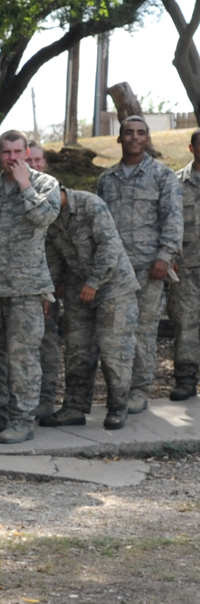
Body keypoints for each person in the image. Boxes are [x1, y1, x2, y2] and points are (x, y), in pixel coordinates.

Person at [0, 129, 60, 444]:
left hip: (26, 288)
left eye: (18, 152)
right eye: (6, 153)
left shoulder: (46, 184)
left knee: (23, 357)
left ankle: (22, 419)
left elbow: (44, 218)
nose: (12, 159)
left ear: (25, 152)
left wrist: (25, 184)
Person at [96, 115, 182, 413]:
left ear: (147, 139)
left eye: (141, 133)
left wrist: (165, 256)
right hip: (115, 272)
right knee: (115, 331)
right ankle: (118, 389)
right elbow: (98, 226)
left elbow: (173, 219)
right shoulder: (106, 179)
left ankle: (139, 390)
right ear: (119, 139)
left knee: (144, 331)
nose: (134, 137)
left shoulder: (162, 176)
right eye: (128, 133)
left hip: (149, 268)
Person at [43, 185, 139, 430]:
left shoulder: (90, 204)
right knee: (77, 349)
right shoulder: (48, 215)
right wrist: (50, 291)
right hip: (79, 289)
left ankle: (118, 406)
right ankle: (74, 407)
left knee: (113, 350)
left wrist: (94, 282)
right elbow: (53, 257)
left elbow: (110, 246)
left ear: (58, 191)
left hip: (113, 286)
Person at [26, 143, 65, 421]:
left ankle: (46, 399)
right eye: (28, 160)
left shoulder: (55, 193)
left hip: (51, 283)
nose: (33, 165)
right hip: (20, 283)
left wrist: (51, 289)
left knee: (47, 342)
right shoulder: (7, 193)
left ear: (45, 162)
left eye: (38, 160)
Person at [168, 130, 200, 401]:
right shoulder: (175, 183)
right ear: (192, 148)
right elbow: (166, 223)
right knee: (185, 324)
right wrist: (169, 257)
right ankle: (186, 380)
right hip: (186, 267)